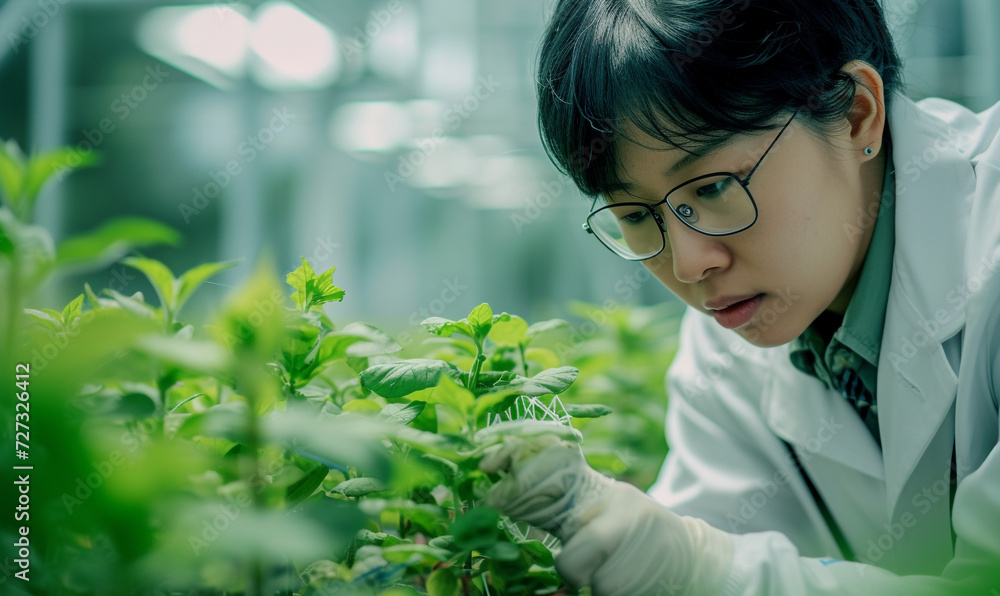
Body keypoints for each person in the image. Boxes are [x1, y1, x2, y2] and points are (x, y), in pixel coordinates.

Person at [479, 1, 1000, 595]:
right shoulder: (725, 344)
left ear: (857, 114)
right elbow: (709, 541)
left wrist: (696, 567)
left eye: (714, 186)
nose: (689, 262)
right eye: (634, 215)